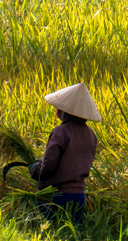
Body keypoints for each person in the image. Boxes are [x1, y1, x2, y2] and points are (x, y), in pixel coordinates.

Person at [28, 82, 100, 225]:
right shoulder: (91, 134)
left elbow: (49, 165)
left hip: (56, 195)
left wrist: (35, 170)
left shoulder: (61, 132)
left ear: (65, 112)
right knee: (73, 236)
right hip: (79, 196)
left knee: (51, 235)